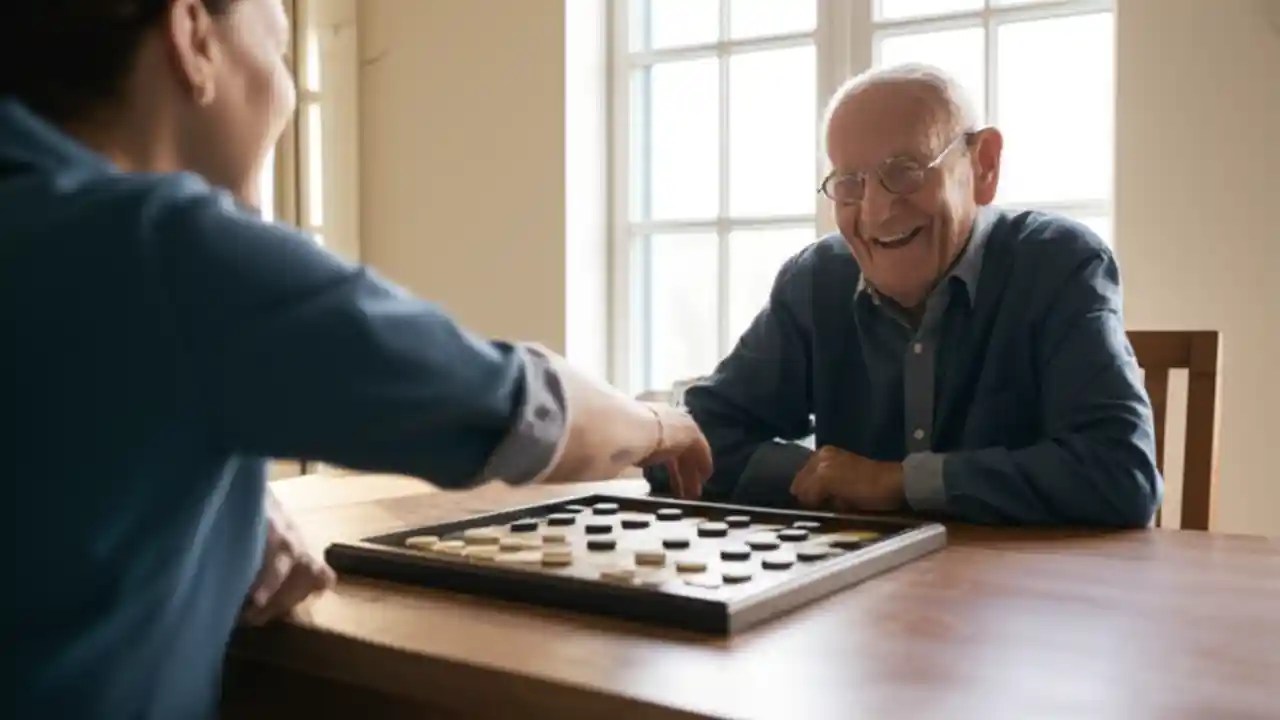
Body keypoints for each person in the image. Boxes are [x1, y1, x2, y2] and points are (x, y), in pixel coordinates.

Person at [2, 1, 711, 718]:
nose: (284, 91)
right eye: (279, 50)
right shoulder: (169, 250)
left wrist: (239, 505)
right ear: (193, 38)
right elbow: (526, 414)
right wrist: (664, 423)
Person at [646, 62, 1162, 528]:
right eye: (849, 182)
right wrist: (820, 475)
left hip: (1024, 607)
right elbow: (688, 446)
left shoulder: (1059, 263)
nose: (874, 212)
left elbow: (1122, 472)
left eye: (904, 172)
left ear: (983, 166)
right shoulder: (816, 280)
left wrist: (896, 482)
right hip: (853, 605)